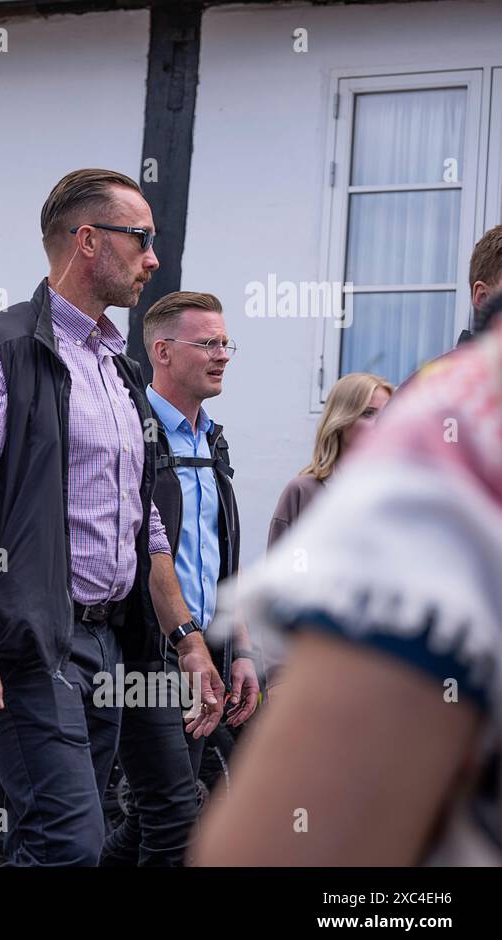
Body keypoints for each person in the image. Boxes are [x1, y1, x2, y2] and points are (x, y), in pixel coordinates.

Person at [0, 168, 225, 867]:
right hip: (30, 643)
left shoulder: (119, 367)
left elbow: (144, 520)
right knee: (68, 844)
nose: (154, 258)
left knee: (58, 846)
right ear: (88, 241)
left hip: (108, 644)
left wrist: (184, 637)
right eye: (140, 238)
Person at [194, 320, 502, 865]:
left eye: (389, 413)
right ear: (340, 420)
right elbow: (279, 598)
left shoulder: (424, 491)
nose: (384, 424)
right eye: (369, 413)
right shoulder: (307, 491)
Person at [100, 291, 259, 867]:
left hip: (205, 649)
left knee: (151, 813)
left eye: (225, 343)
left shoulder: (212, 438)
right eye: (207, 343)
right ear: (162, 351)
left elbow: (226, 559)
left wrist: (238, 649)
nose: (222, 355)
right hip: (145, 654)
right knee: (174, 816)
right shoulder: (130, 434)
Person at [267, 372, 392, 548]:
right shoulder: (302, 492)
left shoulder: (398, 494)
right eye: (368, 413)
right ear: (341, 420)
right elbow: (285, 569)